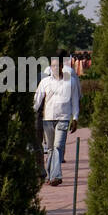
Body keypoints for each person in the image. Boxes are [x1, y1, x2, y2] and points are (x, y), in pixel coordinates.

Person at [33, 58, 81, 186]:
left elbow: (75, 101)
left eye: (57, 66)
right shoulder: (45, 82)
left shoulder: (70, 82)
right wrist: (30, 114)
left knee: (58, 146)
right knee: (50, 149)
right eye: (53, 66)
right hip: (48, 119)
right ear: (50, 68)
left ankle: (56, 176)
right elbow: (37, 101)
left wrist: (75, 118)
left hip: (63, 118)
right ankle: (50, 175)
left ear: (61, 67)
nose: (55, 68)